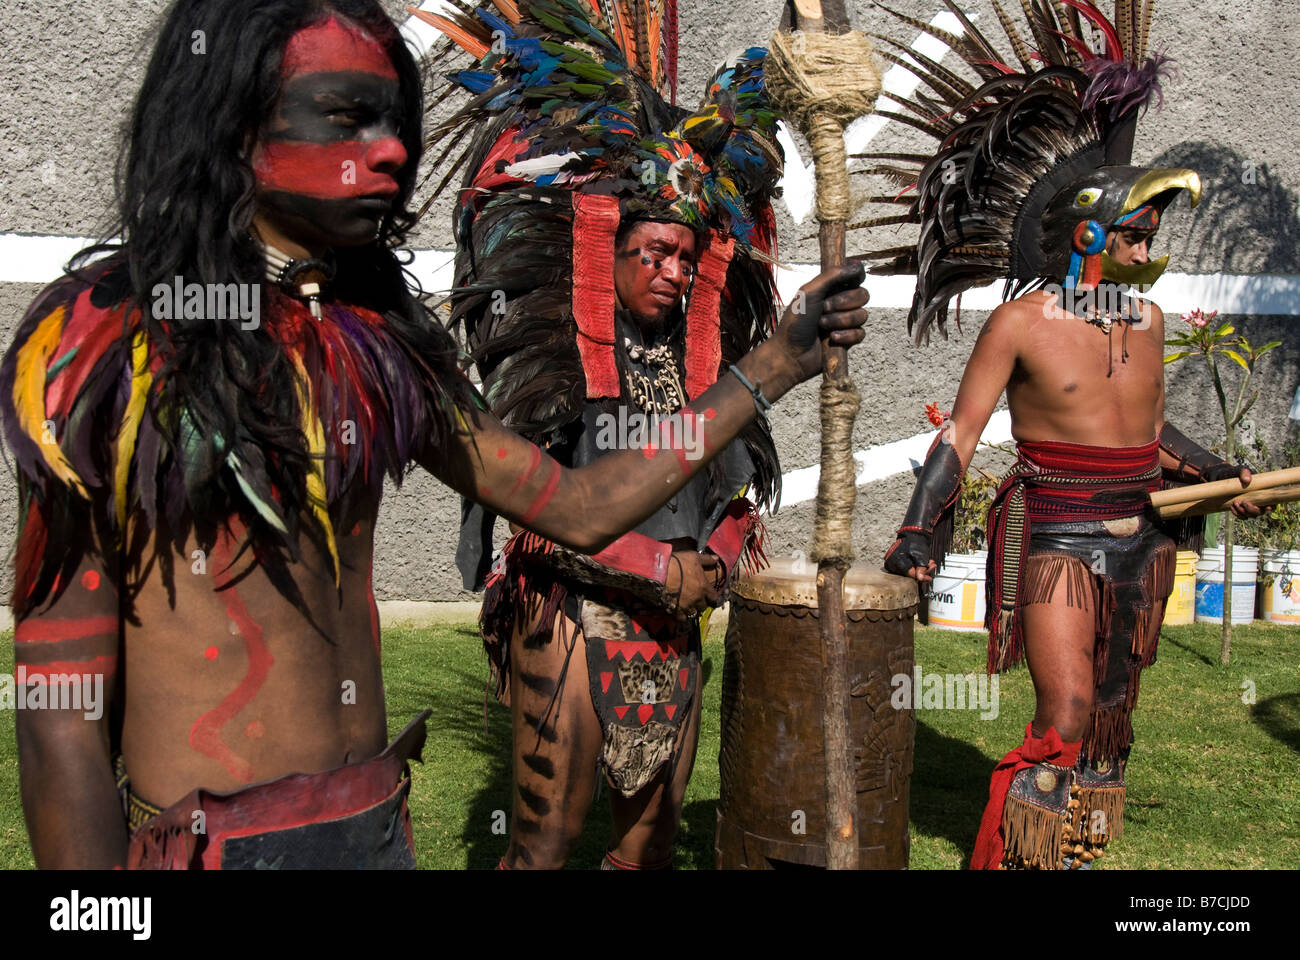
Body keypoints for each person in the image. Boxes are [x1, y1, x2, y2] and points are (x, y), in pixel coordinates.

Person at [1, 0, 866, 870]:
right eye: (347, 116)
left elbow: (574, 503)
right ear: (231, 120)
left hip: (378, 831)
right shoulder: (106, 342)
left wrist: (777, 363)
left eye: (396, 122)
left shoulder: (373, 337)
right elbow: (60, 722)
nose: (391, 150)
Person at [862, 1, 1263, 868]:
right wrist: (917, 527)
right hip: (1060, 537)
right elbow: (963, 434)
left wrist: (1223, 475)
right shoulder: (1021, 322)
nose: (1148, 248)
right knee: (1067, 715)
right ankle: (1022, 859)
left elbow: (1152, 429)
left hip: (1143, 537)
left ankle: (1074, 857)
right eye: (1134, 233)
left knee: (1111, 725)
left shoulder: (1150, 320)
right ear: (1086, 234)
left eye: (1154, 234)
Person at [415, 1, 784, 870]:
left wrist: (717, 560)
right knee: (542, 847)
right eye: (654, 252)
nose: (672, 271)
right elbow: (541, 511)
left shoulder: (703, 371)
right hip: (571, 617)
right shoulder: (558, 367)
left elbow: (735, 492)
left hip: (677, 627)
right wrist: (660, 569)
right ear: (606, 251)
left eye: (687, 257)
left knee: (647, 852)